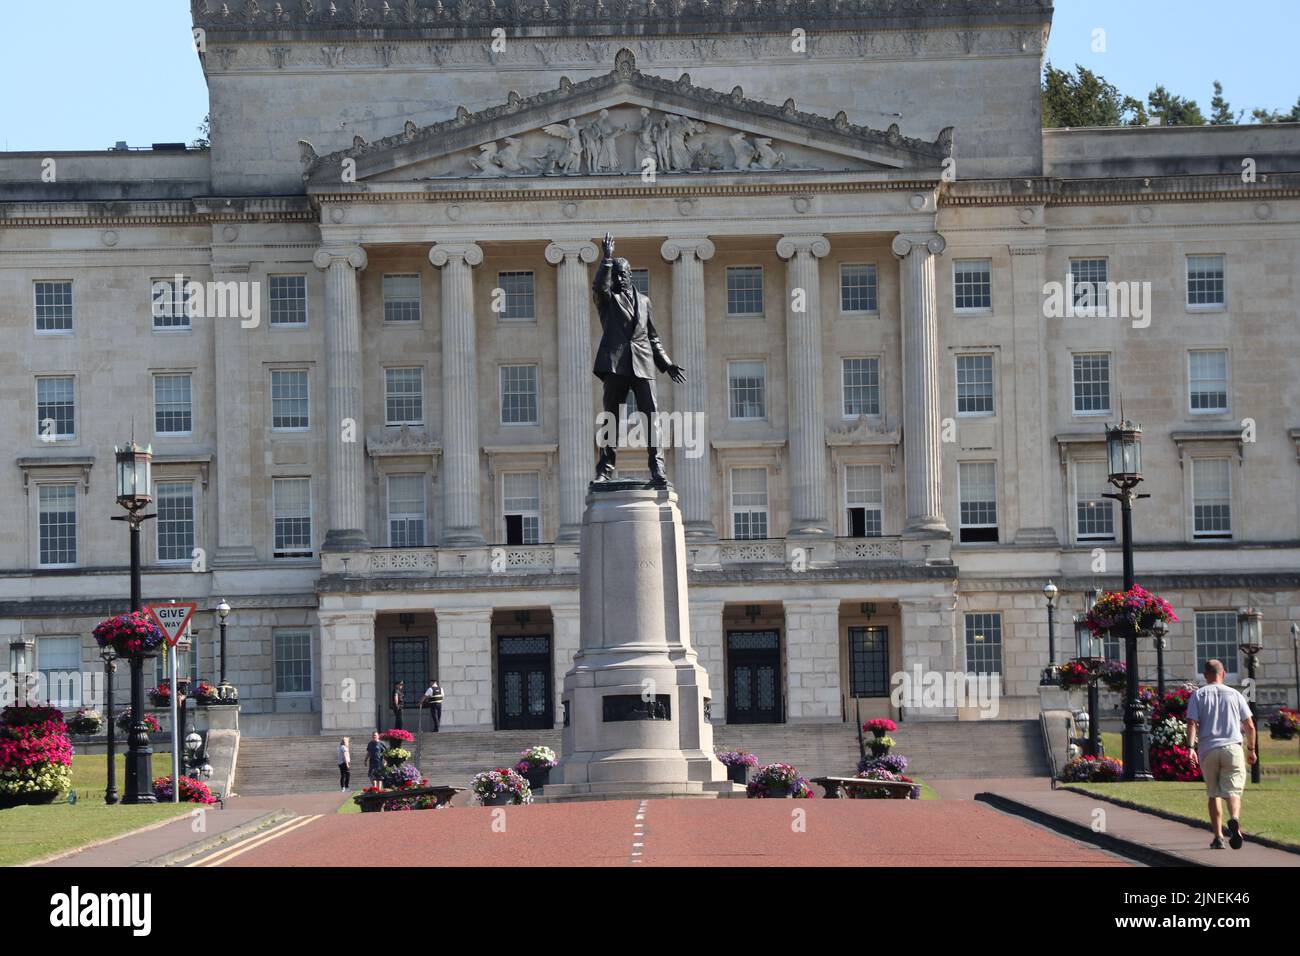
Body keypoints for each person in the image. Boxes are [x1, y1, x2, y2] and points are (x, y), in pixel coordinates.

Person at [591, 232, 686, 487]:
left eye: (623, 274)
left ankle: (658, 469)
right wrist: (607, 260)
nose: (619, 278)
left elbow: (652, 336)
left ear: (631, 276)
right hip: (616, 364)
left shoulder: (644, 302)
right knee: (611, 418)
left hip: (643, 364)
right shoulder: (607, 300)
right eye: (616, 275)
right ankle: (605, 468)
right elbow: (599, 286)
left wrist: (666, 363)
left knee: (652, 418)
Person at [1186, 659, 1257, 849]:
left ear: (1204, 674)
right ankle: (1234, 819)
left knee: (1213, 793)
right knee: (1233, 790)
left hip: (1208, 749)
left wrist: (1190, 748)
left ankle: (1218, 837)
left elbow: (1192, 723)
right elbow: (1249, 726)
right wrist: (1251, 749)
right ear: (1223, 673)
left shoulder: (1198, 695)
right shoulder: (1235, 694)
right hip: (1232, 748)